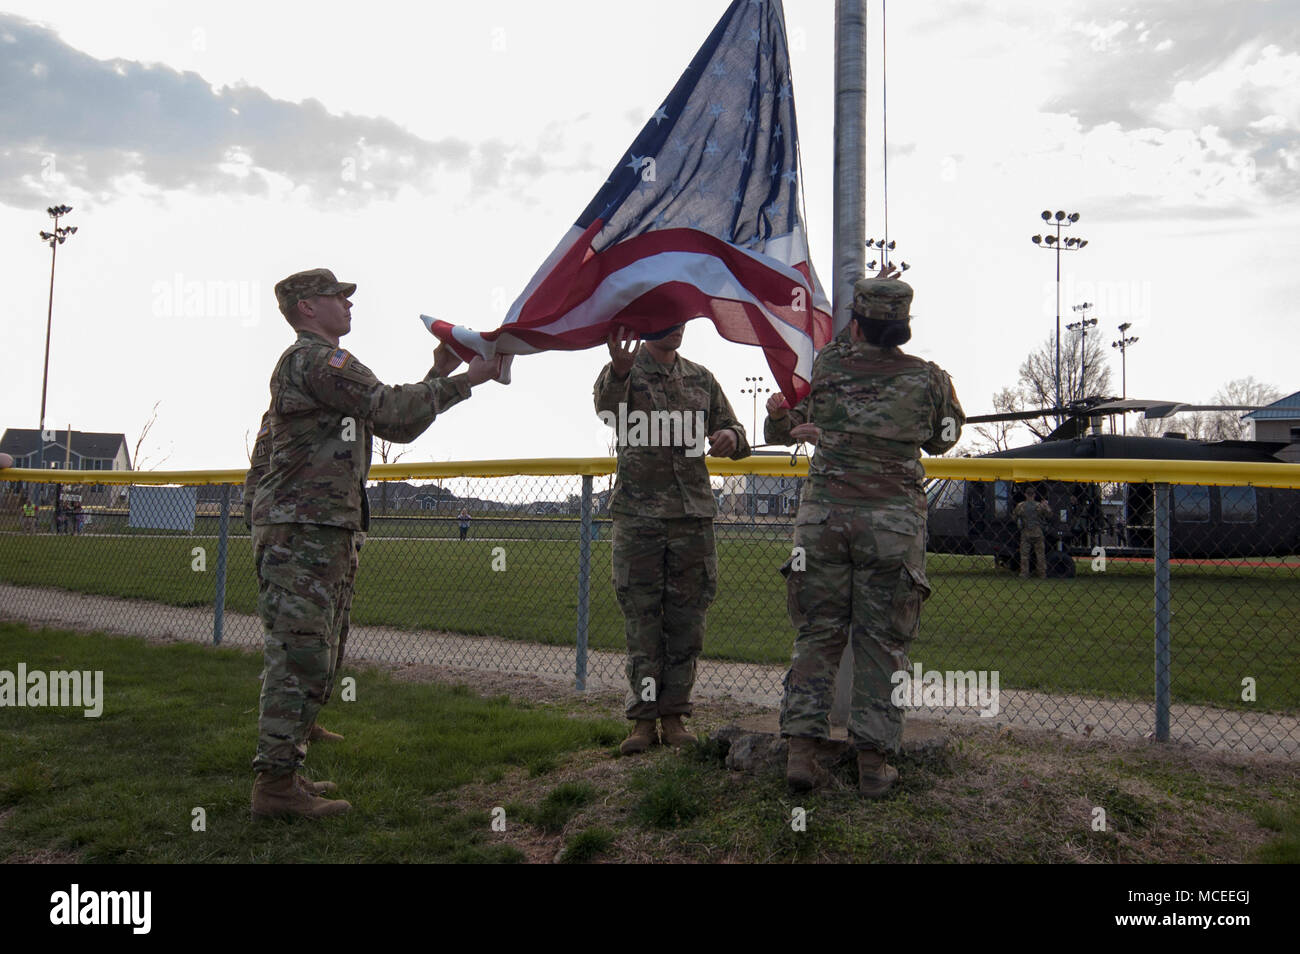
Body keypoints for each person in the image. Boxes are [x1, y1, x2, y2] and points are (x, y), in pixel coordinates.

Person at [248, 267, 501, 820]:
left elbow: (388, 415)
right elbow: (390, 413)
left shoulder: (314, 366)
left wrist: (437, 373)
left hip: (315, 527)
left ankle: (290, 764)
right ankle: (274, 789)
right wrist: (465, 381)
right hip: (304, 530)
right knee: (300, 655)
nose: (348, 303)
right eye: (338, 296)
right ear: (308, 307)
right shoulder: (318, 360)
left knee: (318, 649)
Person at [765, 272, 963, 798]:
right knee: (881, 644)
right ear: (902, 328)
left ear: (856, 322)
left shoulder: (826, 366)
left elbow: (780, 428)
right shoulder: (928, 380)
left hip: (823, 523)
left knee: (817, 634)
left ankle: (802, 752)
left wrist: (788, 419)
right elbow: (945, 440)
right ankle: (873, 766)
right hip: (890, 528)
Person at [595, 322, 750, 755]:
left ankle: (674, 715)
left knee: (687, 621)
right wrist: (620, 372)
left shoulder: (701, 378)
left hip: (691, 517)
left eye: (683, 320)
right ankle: (643, 721)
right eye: (668, 319)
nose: (677, 327)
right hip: (639, 517)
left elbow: (737, 433)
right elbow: (607, 413)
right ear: (650, 320)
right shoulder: (624, 371)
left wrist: (729, 436)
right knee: (642, 621)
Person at [1013, 486, 1051, 579]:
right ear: (1034, 495)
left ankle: (1024, 573)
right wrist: (1046, 506)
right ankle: (1042, 574)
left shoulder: (1020, 506)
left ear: (1025, 495)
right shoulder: (1039, 506)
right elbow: (1049, 515)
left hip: (1026, 532)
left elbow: (1014, 517)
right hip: (1038, 532)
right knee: (1040, 554)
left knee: (1025, 555)